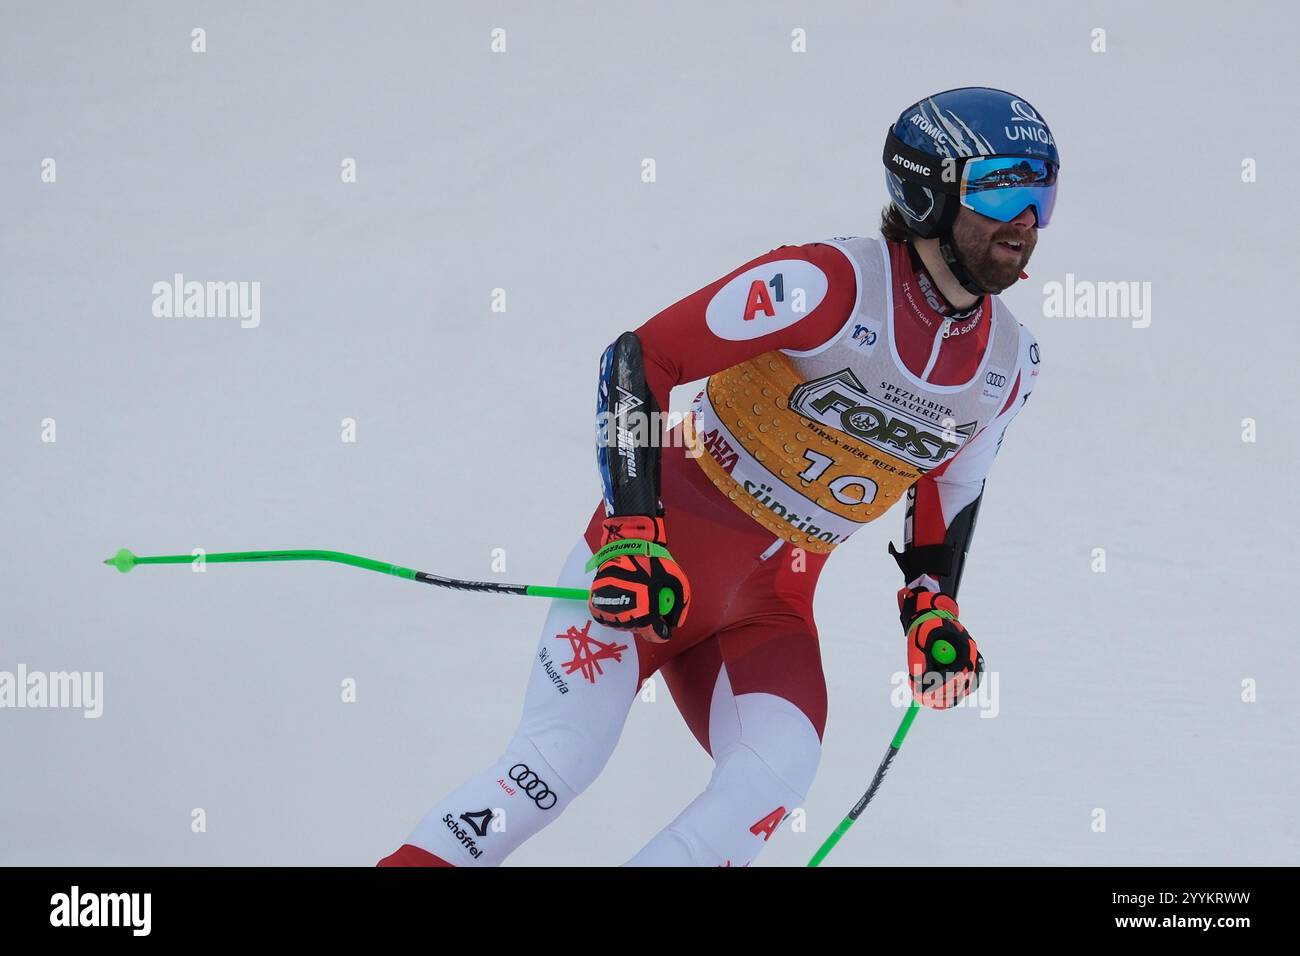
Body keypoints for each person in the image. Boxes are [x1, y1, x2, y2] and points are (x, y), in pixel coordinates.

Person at [379, 86, 1058, 867]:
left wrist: (930, 607)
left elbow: (948, 485)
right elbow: (639, 358)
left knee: (771, 782)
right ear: (928, 188)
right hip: (653, 566)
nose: (1028, 218)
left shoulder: (1011, 365)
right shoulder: (830, 284)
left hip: (769, 613)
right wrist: (635, 531)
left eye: (1044, 188)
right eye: (1003, 183)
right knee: (548, 769)